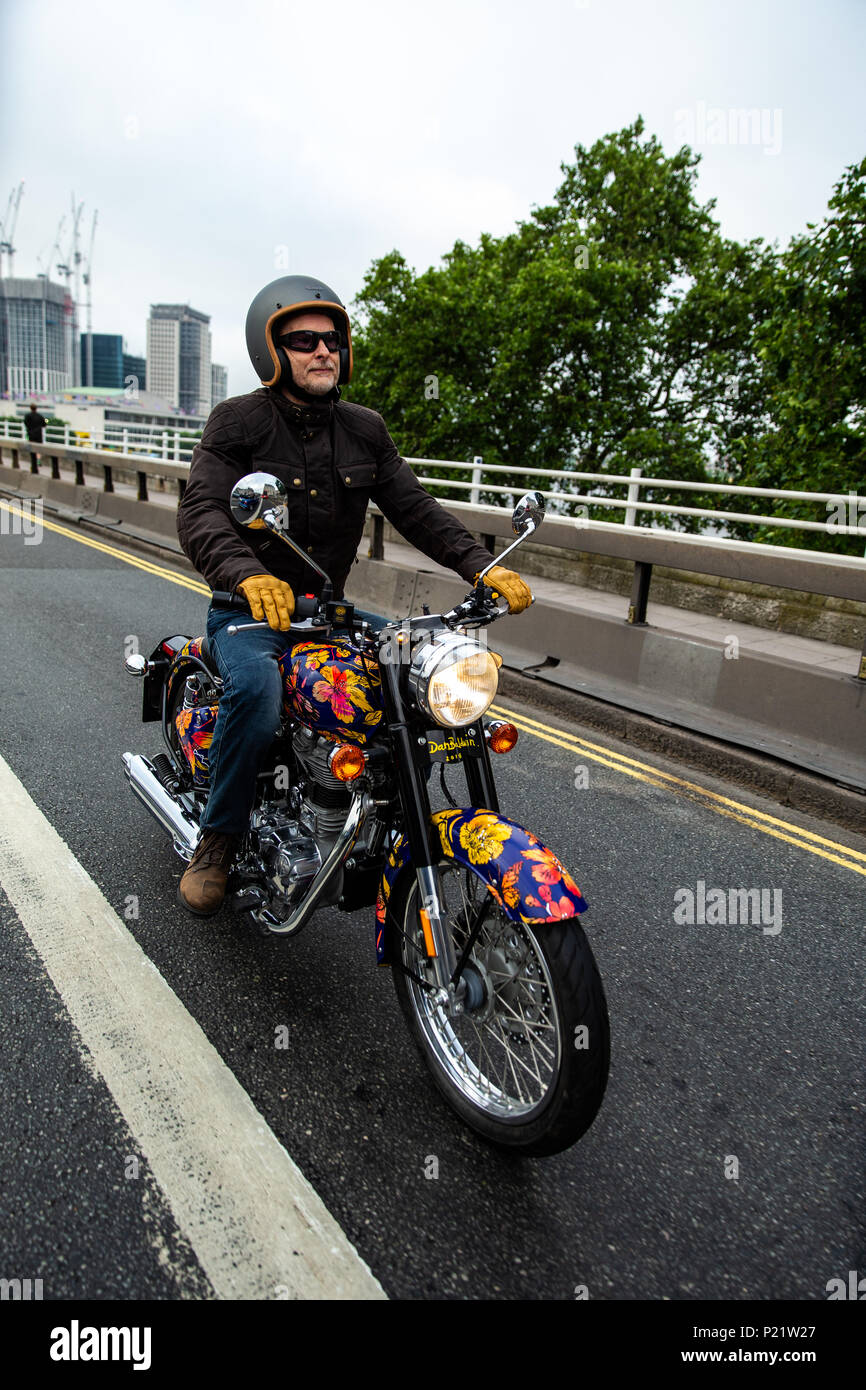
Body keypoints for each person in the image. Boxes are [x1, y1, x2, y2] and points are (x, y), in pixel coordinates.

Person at [175, 275, 533, 915]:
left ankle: (393, 821)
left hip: (325, 612)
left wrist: (481, 566)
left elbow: (416, 509)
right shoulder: (239, 420)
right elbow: (201, 509)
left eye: (332, 340)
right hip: (245, 610)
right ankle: (219, 840)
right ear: (273, 351)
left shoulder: (363, 429)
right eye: (304, 340)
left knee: (419, 672)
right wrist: (246, 575)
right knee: (255, 693)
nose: (323, 351)